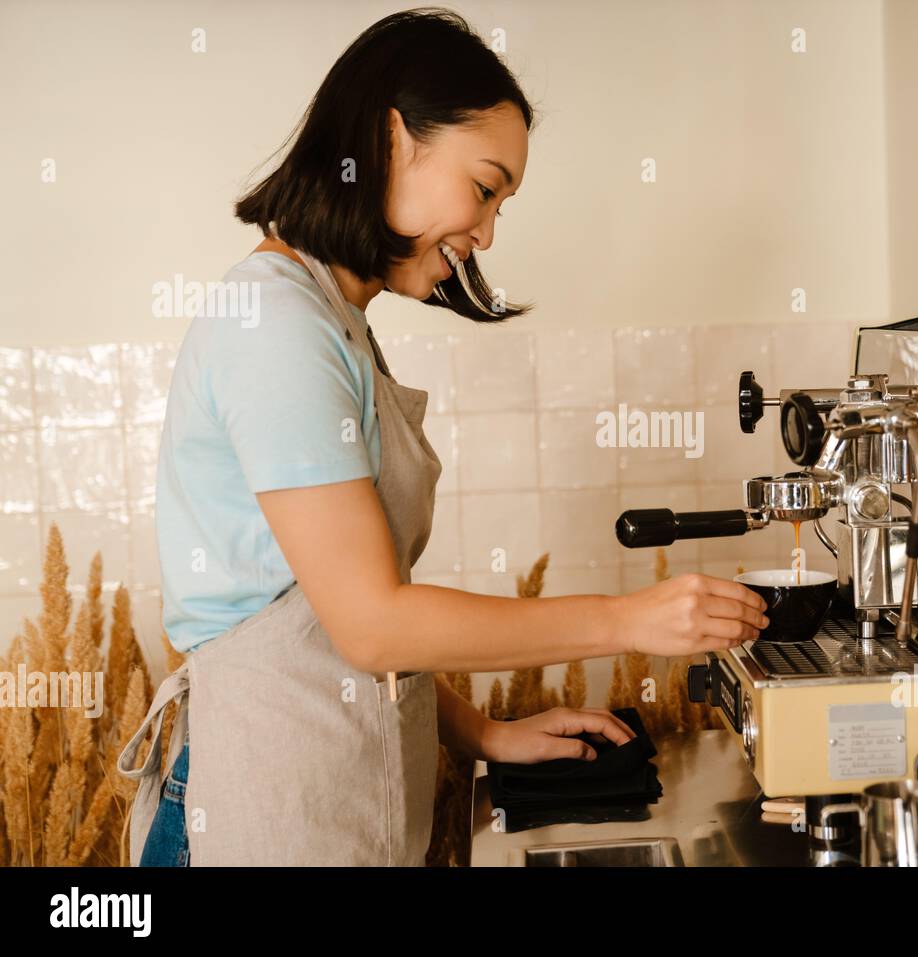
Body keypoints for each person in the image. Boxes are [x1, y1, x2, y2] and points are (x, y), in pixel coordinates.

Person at [116, 7, 766, 867]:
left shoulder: (333, 319)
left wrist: (480, 732)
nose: (487, 233)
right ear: (393, 141)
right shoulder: (274, 324)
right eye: (486, 187)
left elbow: (323, 619)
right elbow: (373, 625)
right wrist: (627, 618)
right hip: (252, 813)